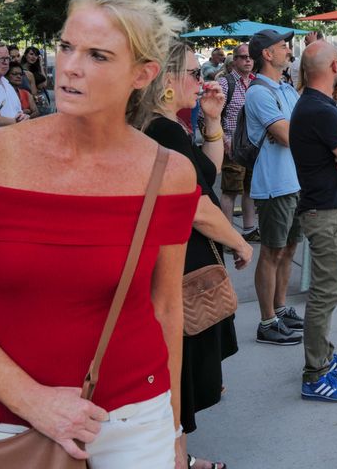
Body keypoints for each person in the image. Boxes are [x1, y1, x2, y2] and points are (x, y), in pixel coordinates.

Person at [0, 0, 200, 467]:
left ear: (143, 74)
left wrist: (174, 431)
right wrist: (35, 401)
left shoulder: (169, 173)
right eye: (65, 46)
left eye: (97, 55)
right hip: (10, 420)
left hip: (137, 420)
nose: (70, 67)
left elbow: (166, 308)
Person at [143, 40, 253, 469]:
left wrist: (211, 122)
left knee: (182, 367)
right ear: (167, 81)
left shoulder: (167, 124)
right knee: (180, 369)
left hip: (182, 258)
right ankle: (177, 460)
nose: (202, 80)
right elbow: (197, 205)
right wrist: (240, 242)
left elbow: (207, 171)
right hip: (180, 260)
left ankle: (180, 457)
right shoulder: (161, 129)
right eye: (192, 73)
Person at [288, 40, 337, 403]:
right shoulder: (319, 109)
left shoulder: (317, 106)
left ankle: (324, 357)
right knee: (324, 295)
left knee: (329, 292)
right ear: (335, 66)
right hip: (327, 211)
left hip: (329, 207)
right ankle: (315, 374)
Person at [244, 28, 306, 346]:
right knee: (271, 251)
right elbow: (286, 134)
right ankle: (267, 321)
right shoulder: (258, 92)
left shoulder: (283, 88)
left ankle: (280, 309)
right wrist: (298, 129)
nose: (287, 50)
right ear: (267, 54)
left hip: (293, 179)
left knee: (288, 248)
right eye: (283, 46)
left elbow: (302, 124)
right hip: (274, 184)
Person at [219, 43, 258, 236]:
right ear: (234, 60)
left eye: (250, 57)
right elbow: (207, 115)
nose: (248, 60)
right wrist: (223, 140)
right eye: (243, 57)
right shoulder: (226, 83)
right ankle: (226, 234)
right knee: (230, 190)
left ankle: (249, 229)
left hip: (253, 145)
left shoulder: (256, 81)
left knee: (250, 189)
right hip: (233, 145)